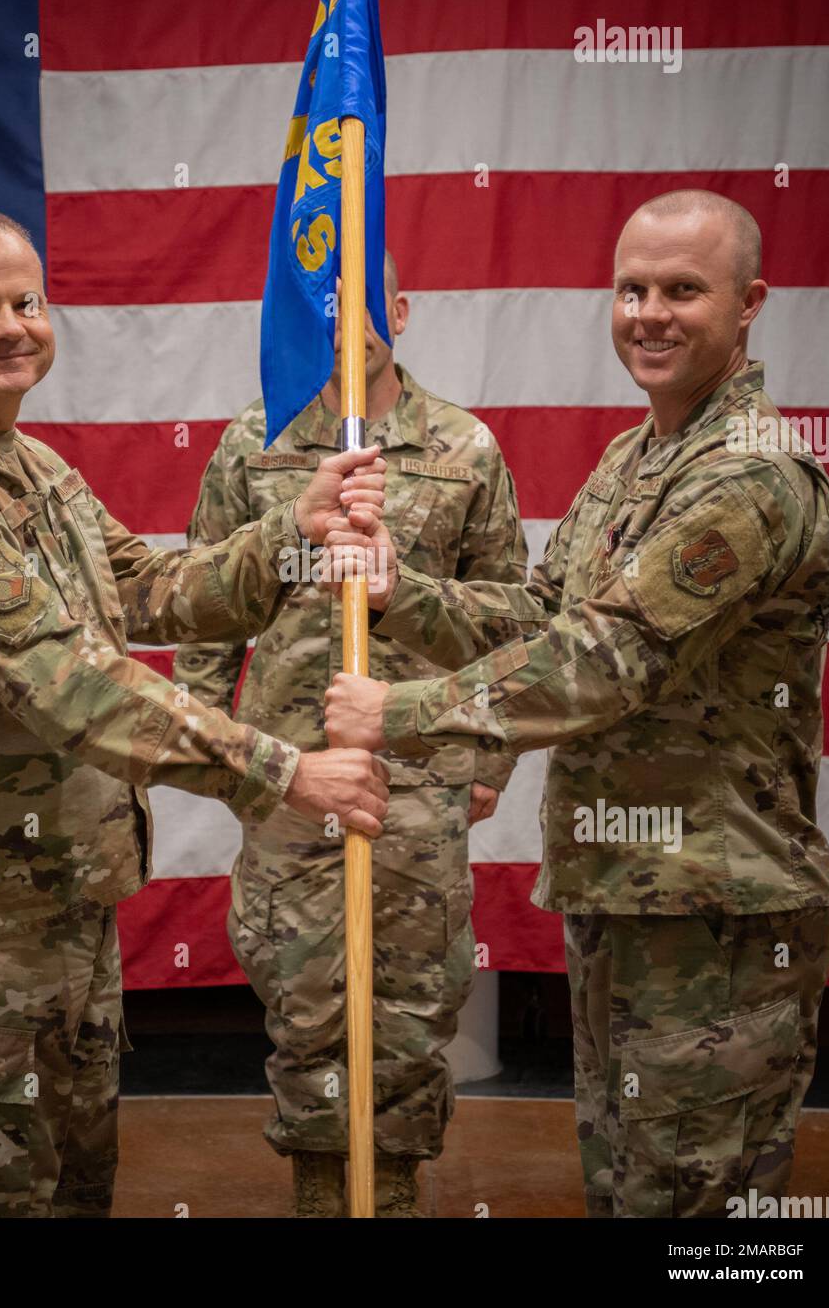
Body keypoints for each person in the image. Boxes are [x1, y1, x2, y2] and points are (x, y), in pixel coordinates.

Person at [0, 207, 390, 1218]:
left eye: (25, 302)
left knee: (77, 1195)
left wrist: (287, 532)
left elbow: (145, 588)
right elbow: (74, 685)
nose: (11, 326)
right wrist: (282, 771)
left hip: (67, 913)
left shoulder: (28, 467)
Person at [323, 191, 829, 1218]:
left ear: (749, 303)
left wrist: (403, 712)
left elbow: (604, 659)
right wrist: (403, 593)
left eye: (681, 291)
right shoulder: (631, 459)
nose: (647, 313)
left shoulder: (746, 479)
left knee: (700, 1214)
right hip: (624, 892)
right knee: (625, 1192)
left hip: (716, 912)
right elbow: (544, 614)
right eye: (630, 288)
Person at [173, 251, 528, 1216]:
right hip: (291, 778)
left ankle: (397, 1196)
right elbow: (204, 613)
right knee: (305, 1007)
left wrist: (488, 754)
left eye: (363, 298)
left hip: (415, 780)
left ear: (401, 311)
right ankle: (322, 1198)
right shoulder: (257, 442)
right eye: (324, 301)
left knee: (412, 1013)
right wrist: (221, 757)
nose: (343, 319)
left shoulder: (466, 449)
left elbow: (512, 621)